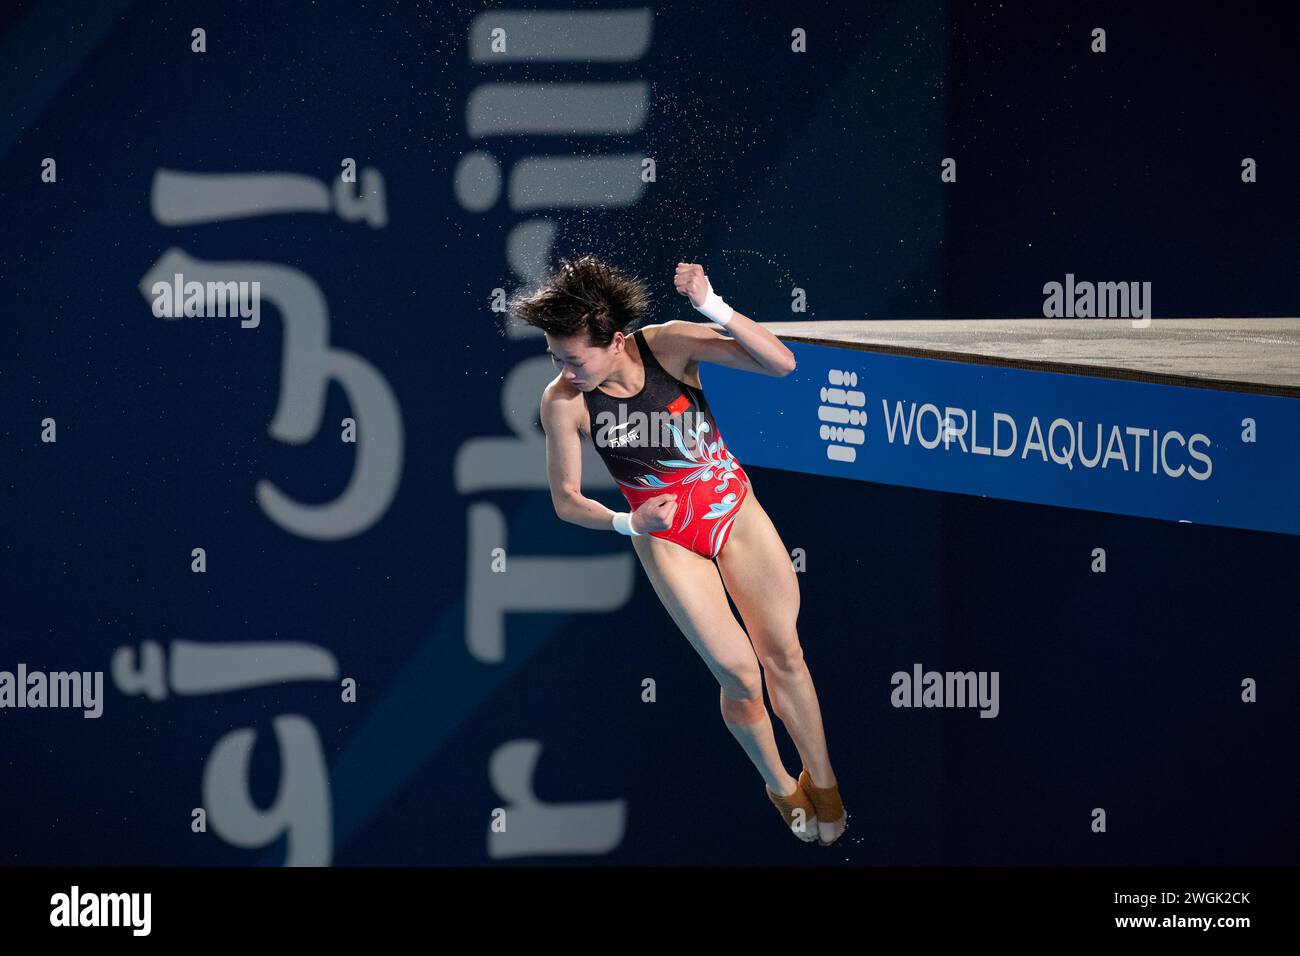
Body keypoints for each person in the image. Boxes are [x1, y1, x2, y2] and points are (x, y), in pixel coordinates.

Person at [511, 255, 847, 846]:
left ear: (615, 341)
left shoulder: (667, 346)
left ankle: (824, 783)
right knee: (741, 676)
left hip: (733, 512)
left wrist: (713, 307)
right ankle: (777, 783)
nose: (562, 369)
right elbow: (565, 500)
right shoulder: (563, 403)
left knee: (784, 657)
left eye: (572, 358)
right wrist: (626, 521)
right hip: (665, 538)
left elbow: (782, 363)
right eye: (555, 357)